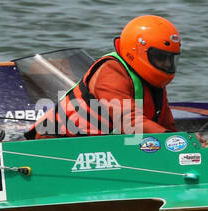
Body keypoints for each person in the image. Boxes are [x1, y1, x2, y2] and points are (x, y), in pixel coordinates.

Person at [30, 15, 180, 138]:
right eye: (161, 57)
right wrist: (173, 139)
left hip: (96, 146)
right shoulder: (111, 72)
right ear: (136, 50)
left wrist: (186, 142)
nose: (167, 64)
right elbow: (129, 121)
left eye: (170, 58)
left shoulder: (152, 82)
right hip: (54, 144)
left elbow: (167, 127)